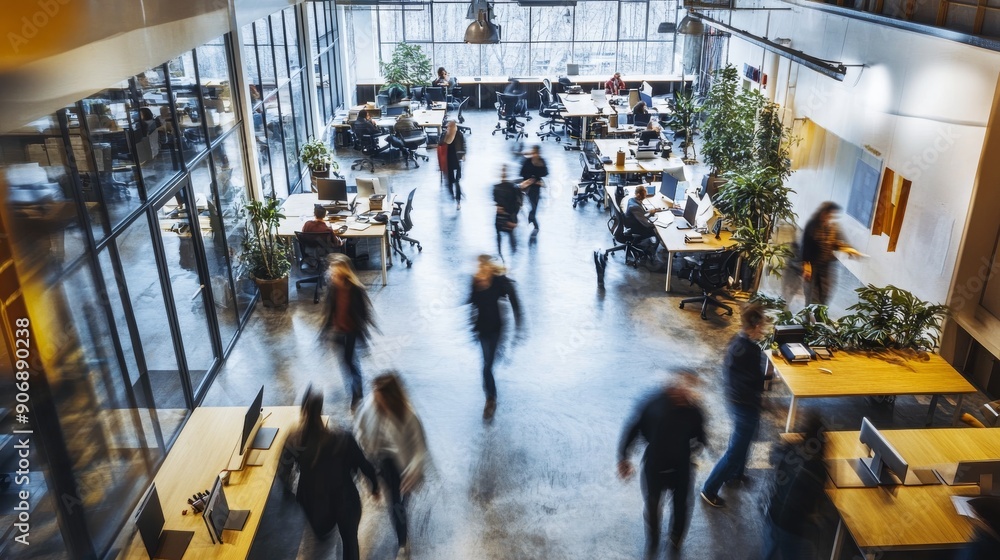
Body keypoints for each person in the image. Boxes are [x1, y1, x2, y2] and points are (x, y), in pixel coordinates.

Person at [618, 371, 707, 556]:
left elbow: (701, 437)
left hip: (681, 469)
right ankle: (653, 540)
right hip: (654, 468)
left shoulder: (694, 411)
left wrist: (692, 450)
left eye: (689, 387)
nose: (684, 391)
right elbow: (634, 428)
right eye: (680, 385)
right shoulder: (653, 404)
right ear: (671, 386)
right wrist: (623, 457)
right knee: (652, 505)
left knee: (681, 506)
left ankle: (676, 539)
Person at [284, 387, 379, 560]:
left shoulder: (294, 440)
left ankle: (324, 530)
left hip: (315, 504)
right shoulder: (343, 438)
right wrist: (375, 487)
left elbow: (283, 470)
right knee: (350, 542)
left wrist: (287, 491)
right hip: (346, 501)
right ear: (321, 409)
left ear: (303, 410)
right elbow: (365, 465)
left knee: (322, 530)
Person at [700, 303, 770, 508]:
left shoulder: (737, 341)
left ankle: (735, 474)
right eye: (762, 326)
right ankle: (709, 489)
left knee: (745, 440)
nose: (764, 330)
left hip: (736, 400)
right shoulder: (752, 350)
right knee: (735, 451)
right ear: (755, 326)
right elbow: (756, 383)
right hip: (745, 405)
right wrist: (769, 377)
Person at [354, 373, 429, 560]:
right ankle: (402, 537)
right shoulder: (370, 407)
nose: (377, 401)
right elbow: (360, 429)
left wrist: (412, 472)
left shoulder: (409, 415)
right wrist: (364, 447)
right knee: (394, 504)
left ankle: (403, 538)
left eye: (381, 397)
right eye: (375, 395)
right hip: (382, 461)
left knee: (399, 505)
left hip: (403, 467)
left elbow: (420, 448)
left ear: (391, 396)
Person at [762, 413, 827, 559]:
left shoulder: (791, 448)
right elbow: (815, 503)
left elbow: (773, 457)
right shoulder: (818, 468)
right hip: (792, 525)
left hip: (773, 511)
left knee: (770, 549)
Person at [468, 255, 521, 419]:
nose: (481, 278)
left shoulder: (499, 281)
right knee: (487, 366)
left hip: (497, 329)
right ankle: (491, 398)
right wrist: (471, 326)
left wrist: (519, 324)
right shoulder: (475, 283)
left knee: (489, 364)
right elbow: (472, 304)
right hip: (482, 330)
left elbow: (515, 301)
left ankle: (490, 395)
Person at [323, 254, 377, 412]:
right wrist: (327, 330)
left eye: (335, 272)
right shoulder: (333, 288)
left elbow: (363, 315)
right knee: (346, 362)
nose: (332, 275)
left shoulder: (355, 290)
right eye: (332, 272)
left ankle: (357, 394)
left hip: (350, 331)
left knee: (351, 363)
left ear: (344, 272)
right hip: (338, 331)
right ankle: (355, 389)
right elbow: (330, 310)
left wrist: (364, 335)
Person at [801, 201, 861, 305]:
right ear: (822, 212)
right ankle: (808, 318)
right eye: (828, 214)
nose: (830, 217)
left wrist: (850, 250)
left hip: (826, 266)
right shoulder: (812, 225)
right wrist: (806, 265)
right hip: (813, 266)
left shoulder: (834, 227)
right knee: (811, 295)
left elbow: (839, 243)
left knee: (825, 293)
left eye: (832, 215)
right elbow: (806, 246)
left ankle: (820, 317)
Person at [519, 145, 548, 235]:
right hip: (527, 186)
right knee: (533, 204)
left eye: (537, 153)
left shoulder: (541, 161)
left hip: (536, 186)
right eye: (534, 153)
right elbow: (522, 173)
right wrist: (530, 179)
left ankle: (532, 220)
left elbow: (545, 172)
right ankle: (534, 223)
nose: (535, 155)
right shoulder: (527, 161)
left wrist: (535, 179)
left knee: (534, 206)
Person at [493, 166, 522, 257]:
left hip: (506, 215)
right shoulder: (499, 188)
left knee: (505, 234)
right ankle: (506, 251)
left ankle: (503, 252)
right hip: (505, 215)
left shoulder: (505, 188)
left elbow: (516, 202)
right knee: (506, 234)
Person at [443, 120, 466, 209]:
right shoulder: (445, 135)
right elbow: (441, 146)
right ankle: (452, 196)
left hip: (456, 162)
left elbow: (463, 146)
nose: (449, 128)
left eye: (451, 127)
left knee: (457, 182)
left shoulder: (459, 135)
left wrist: (463, 155)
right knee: (449, 182)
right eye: (448, 127)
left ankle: (458, 200)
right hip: (448, 162)